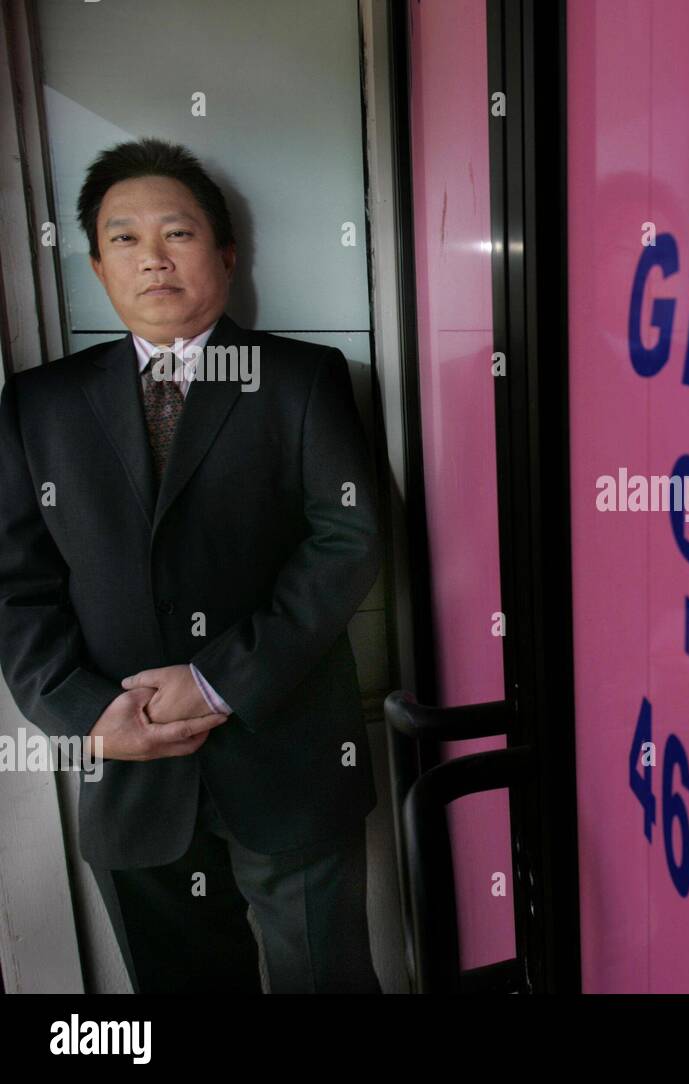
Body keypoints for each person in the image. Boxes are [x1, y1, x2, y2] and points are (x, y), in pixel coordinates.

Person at [0, 138, 383, 993]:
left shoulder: (303, 379)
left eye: (177, 233)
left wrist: (218, 680)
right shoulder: (40, 405)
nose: (153, 259)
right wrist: (88, 711)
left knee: (328, 979)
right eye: (124, 239)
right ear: (97, 267)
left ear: (226, 253)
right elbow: (15, 584)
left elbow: (348, 541)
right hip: (127, 769)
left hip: (287, 751)